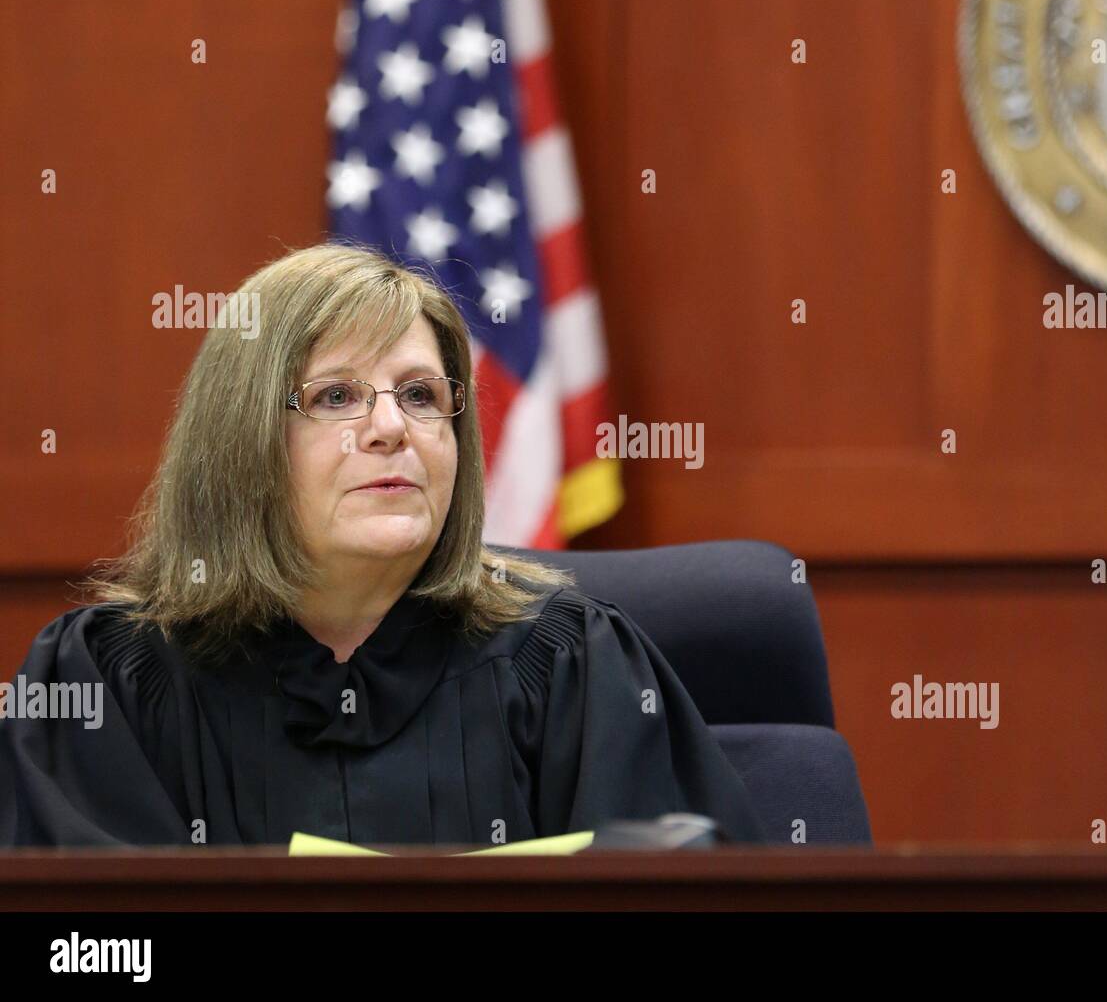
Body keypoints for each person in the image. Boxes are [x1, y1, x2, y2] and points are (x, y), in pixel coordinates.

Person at [0, 243, 767, 848]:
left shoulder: (571, 665)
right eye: (337, 395)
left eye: (421, 395)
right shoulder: (107, 686)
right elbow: (87, 950)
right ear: (240, 440)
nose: (392, 426)